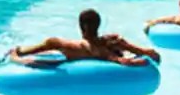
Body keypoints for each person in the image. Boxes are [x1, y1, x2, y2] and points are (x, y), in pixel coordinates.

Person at [10, 8, 160, 67]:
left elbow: (28, 58)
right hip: (110, 51)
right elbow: (125, 59)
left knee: (50, 46)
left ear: (81, 27)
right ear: (99, 24)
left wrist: (15, 56)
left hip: (74, 55)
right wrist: (144, 57)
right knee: (119, 42)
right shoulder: (111, 42)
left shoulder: (63, 45)